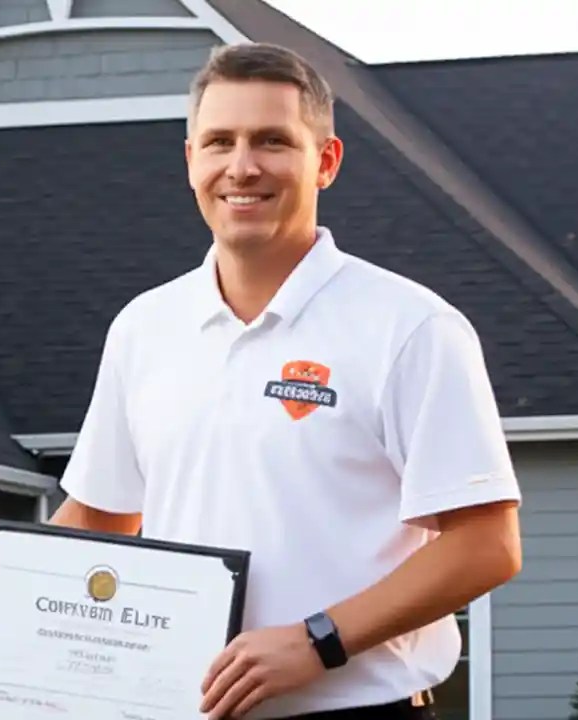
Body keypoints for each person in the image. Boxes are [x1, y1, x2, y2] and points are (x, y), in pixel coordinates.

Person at [50, 42, 523, 720]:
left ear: (324, 162)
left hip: (364, 709)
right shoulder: (143, 328)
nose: (241, 167)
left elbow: (486, 545)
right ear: (192, 162)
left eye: (272, 141)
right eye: (219, 142)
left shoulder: (411, 326)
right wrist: (6, 641)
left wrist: (316, 642)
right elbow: (100, 517)